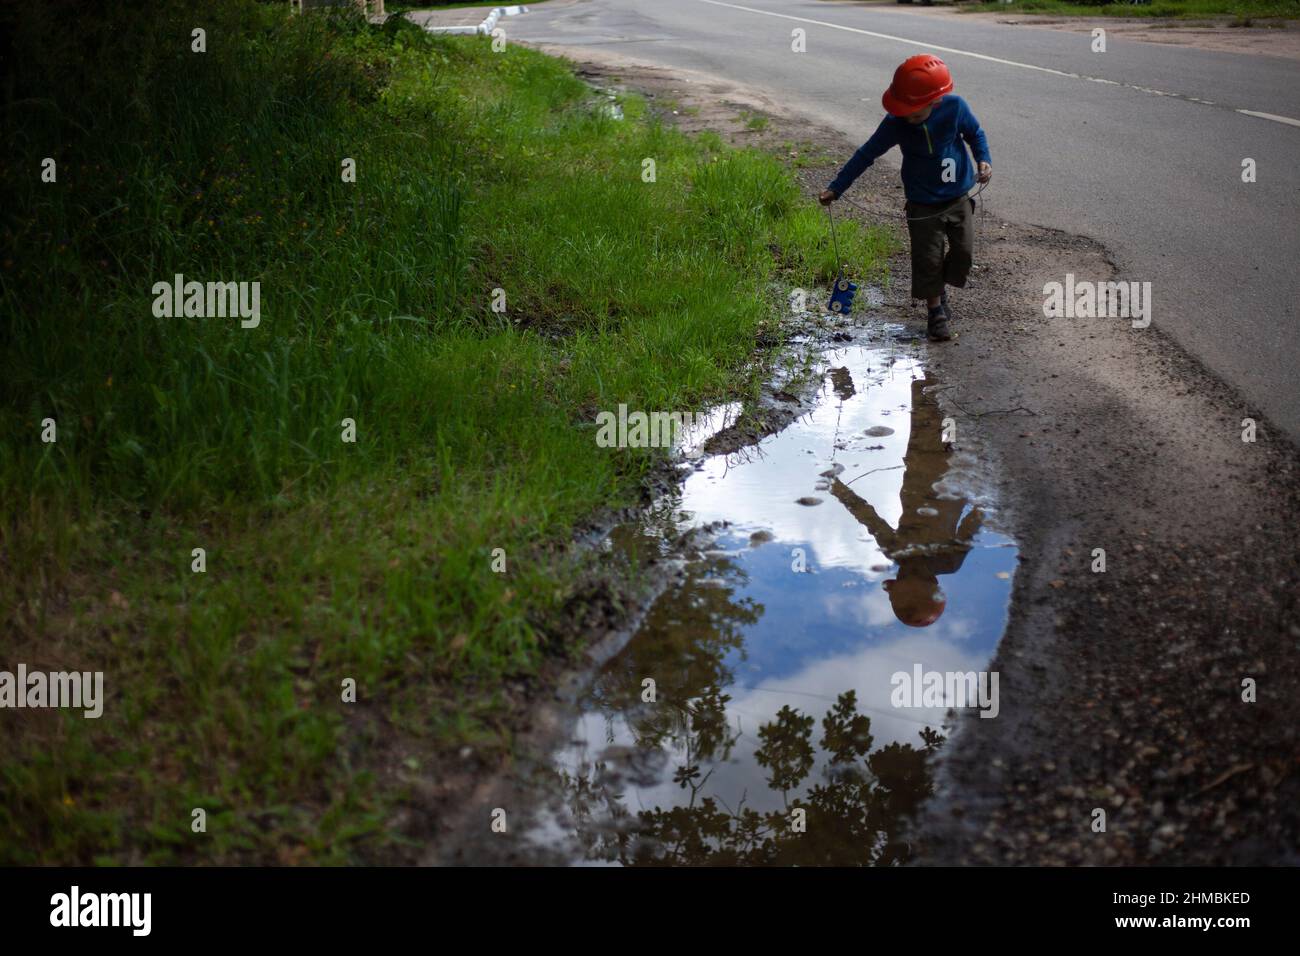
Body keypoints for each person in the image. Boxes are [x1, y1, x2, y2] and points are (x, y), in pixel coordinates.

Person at [820, 55, 992, 342]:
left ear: (935, 101)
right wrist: (836, 188)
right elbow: (866, 154)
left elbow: (975, 134)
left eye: (914, 112)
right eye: (904, 111)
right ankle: (935, 313)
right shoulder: (897, 122)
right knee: (928, 259)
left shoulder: (955, 108)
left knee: (963, 254)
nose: (908, 117)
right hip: (921, 202)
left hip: (958, 196)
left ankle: (939, 288)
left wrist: (983, 160)